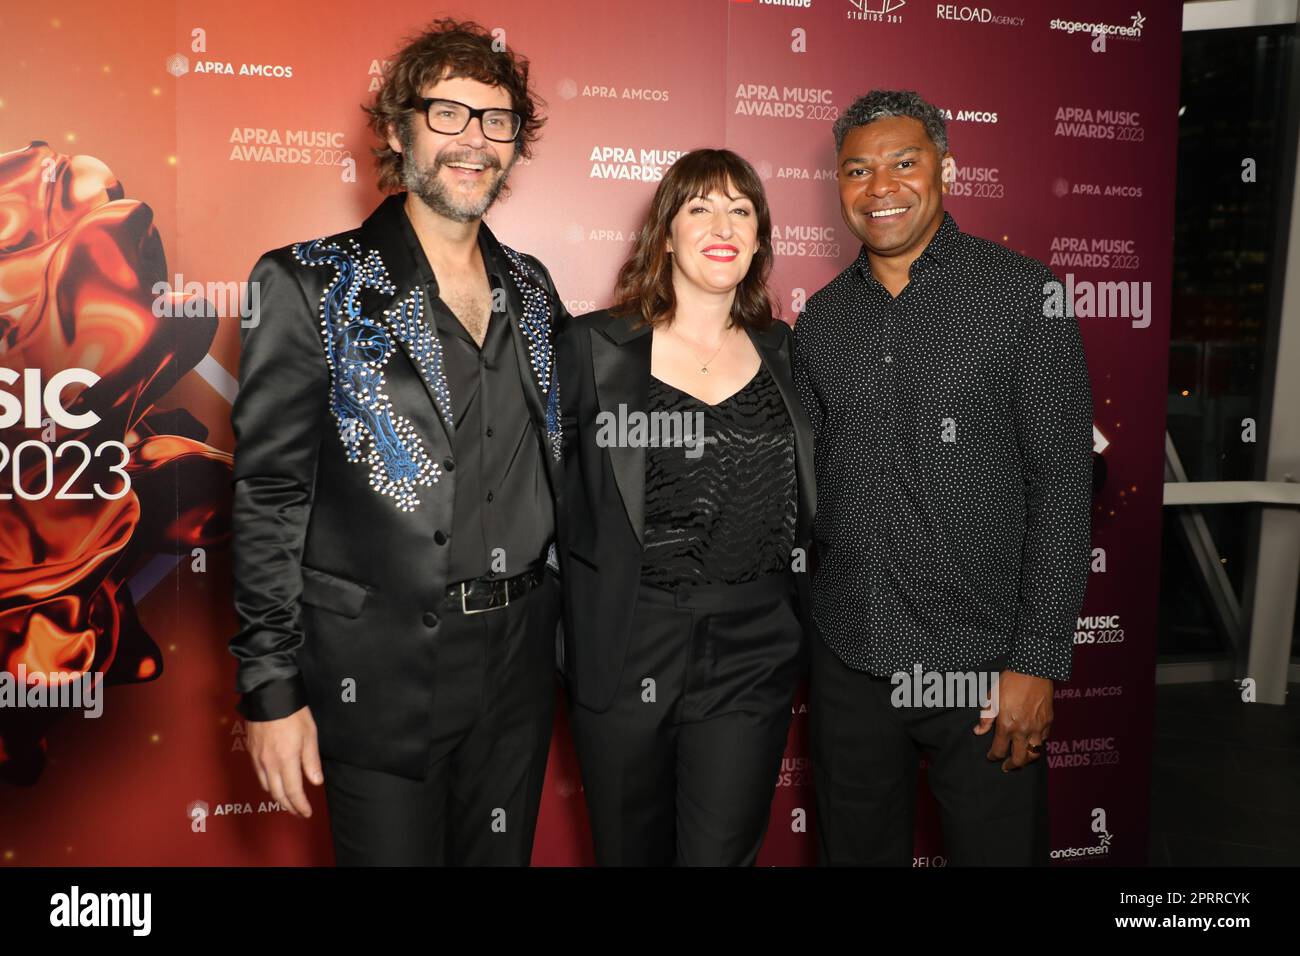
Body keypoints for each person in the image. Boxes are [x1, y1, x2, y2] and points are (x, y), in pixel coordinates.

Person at [228, 18, 567, 866]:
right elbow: (269, 496)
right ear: (395, 128)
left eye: (496, 121)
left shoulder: (531, 285)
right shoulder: (308, 280)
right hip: (376, 671)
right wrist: (270, 690)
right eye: (447, 114)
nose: (475, 142)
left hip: (521, 662)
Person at [793, 89, 1093, 866]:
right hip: (849, 655)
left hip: (984, 665)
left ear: (946, 170)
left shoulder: (1024, 296)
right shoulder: (820, 321)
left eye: (903, 162)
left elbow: (1062, 487)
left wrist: (1037, 661)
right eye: (857, 170)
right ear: (840, 187)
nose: (880, 186)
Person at [556, 148, 815, 866]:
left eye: (741, 209)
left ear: (760, 237)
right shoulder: (590, 348)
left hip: (751, 644)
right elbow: (544, 496)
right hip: (626, 639)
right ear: (664, 233)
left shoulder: (791, 354)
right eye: (698, 206)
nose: (721, 223)